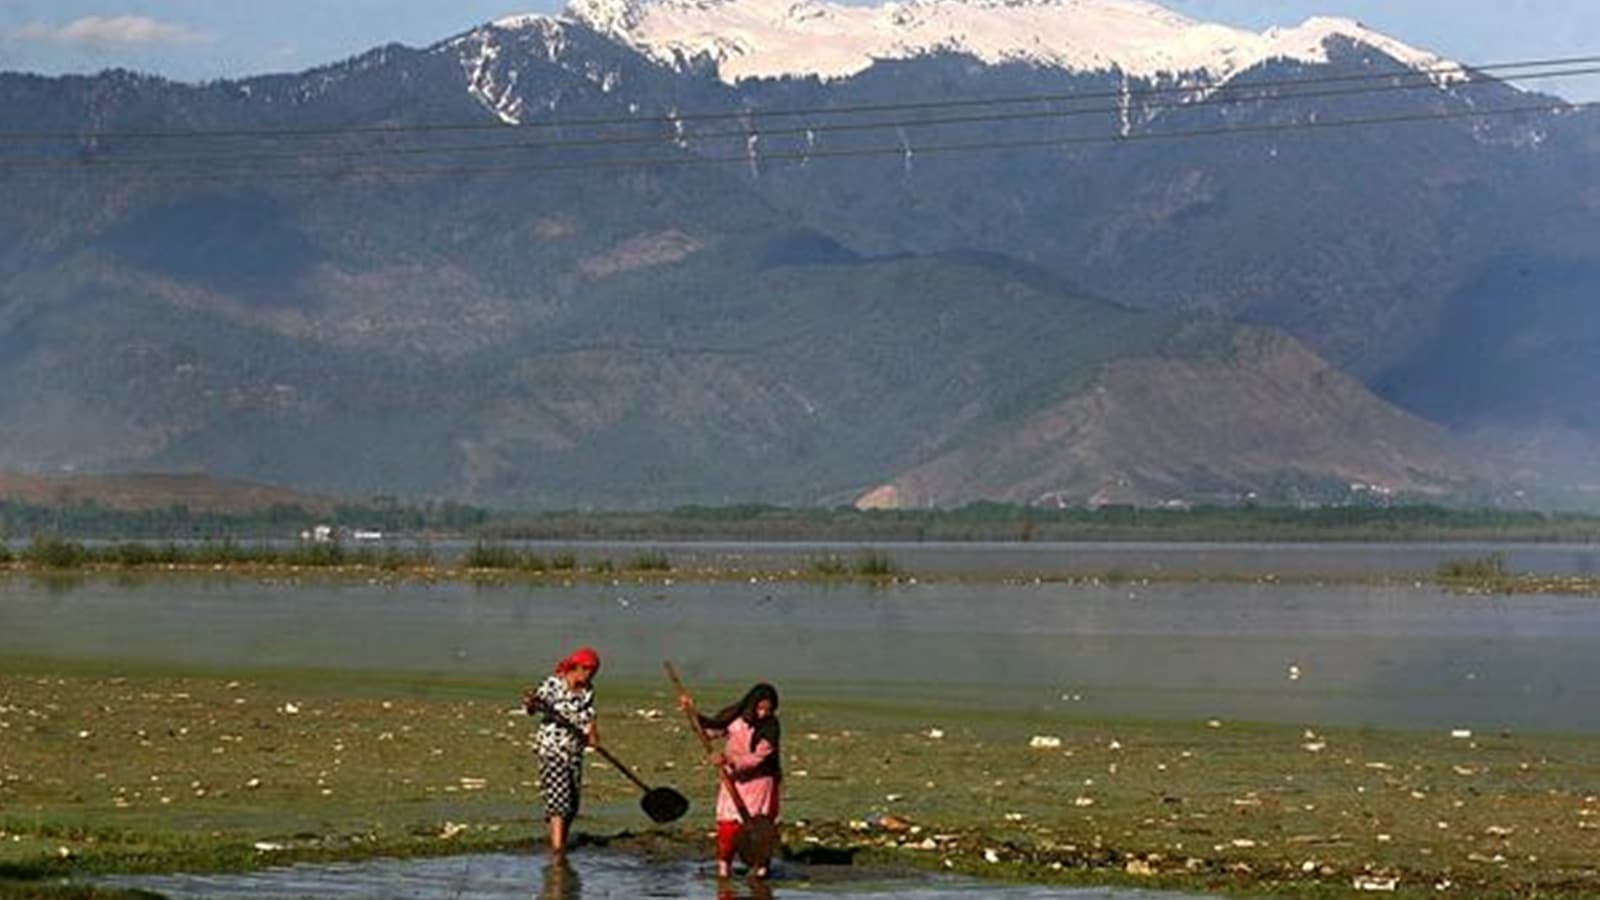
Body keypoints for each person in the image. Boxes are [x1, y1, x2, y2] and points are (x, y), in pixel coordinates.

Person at [681, 683, 781, 879]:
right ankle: (724, 868)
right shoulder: (734, 718)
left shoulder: (771, 727)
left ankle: (761, 869)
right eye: (760, 709)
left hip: (760, 783)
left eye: (767, 710)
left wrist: (730, 760)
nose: (762, 714)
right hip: (733, 779)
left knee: (759, 827)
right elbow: (709, 732)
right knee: (728, 826)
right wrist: (691, 712)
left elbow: (759, 758)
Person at [523, 646, 600, 856]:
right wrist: (532, 703)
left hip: (574, 750)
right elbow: (531, 707)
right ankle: (557, 849)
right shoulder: (554, 684)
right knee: (559, 797)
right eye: (585, 669)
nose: (587, 674)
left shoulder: (587, 690)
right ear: (574, 667)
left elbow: (590, 715)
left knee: (573, 801)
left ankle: (562, 841)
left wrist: (593, 735)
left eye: (592, 671)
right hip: (552, 748)